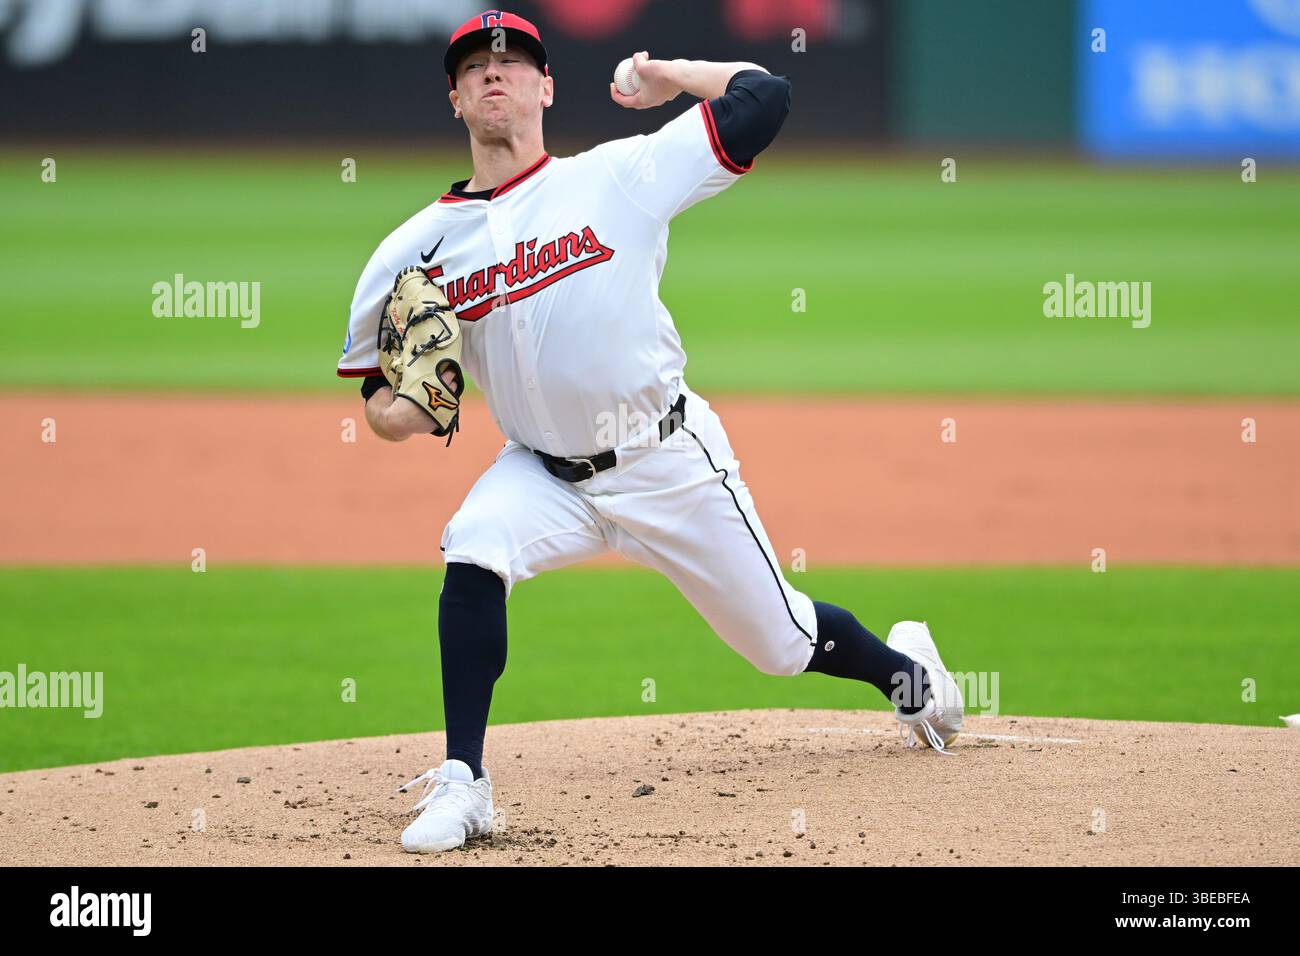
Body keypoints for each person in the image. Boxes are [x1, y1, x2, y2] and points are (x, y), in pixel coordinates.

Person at [336, 10, 963, 854]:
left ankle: (907, 673)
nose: (496, 73)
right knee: (475, 542)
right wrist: (403, 416)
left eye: (515, 61)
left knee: (780, 642)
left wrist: (672, 72)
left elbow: (763, 98)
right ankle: (465, 783)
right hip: (542, 473)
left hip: (666, 457)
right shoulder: (411, 251)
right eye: (476, 67)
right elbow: (377, 398)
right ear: (453, 97)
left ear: (546, 87)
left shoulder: (619, 176)